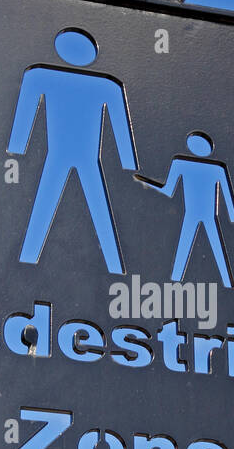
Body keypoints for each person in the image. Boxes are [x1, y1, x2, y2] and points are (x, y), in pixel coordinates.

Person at [8, 29, 137, 274]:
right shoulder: (41, 76)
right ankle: (29, 259)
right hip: (60, 152)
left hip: (86, 155)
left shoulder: (106, 85)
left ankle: (115, 266)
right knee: (49, 202)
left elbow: (121, 124)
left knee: (97, 208)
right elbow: (25, 111)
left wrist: (128, 162)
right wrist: (16, 146)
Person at [136, 131, 234, 287]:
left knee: (188, 248)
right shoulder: (212, 169)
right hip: (200, 214)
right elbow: (229, 198)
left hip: (195, 214)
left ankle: (182, 281)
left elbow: (167, 190)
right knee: (213, 247)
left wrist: (146, 182)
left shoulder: (185, 165)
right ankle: (226, 281)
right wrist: (233, 218)